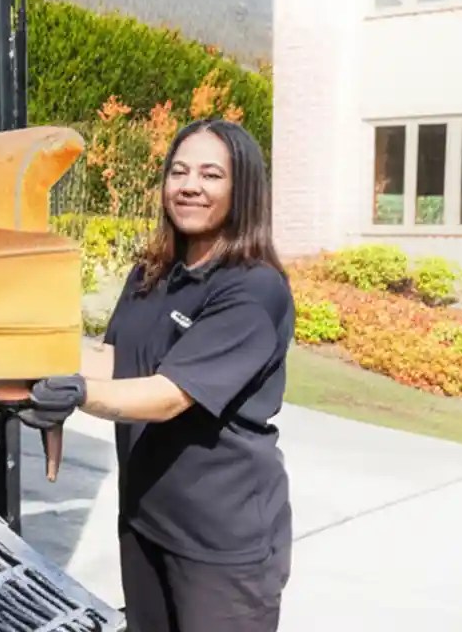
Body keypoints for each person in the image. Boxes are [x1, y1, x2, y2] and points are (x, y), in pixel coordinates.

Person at [19, 119, 294, 632]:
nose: (190, 185)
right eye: (179, 171)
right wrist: (27, 357)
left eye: (211, 175)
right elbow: (117, 360)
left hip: (221, 544)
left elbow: (170, 395)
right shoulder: (152, 272)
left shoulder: (254, 290)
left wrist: (77, 394)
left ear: (243, 190)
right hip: (146, 518)